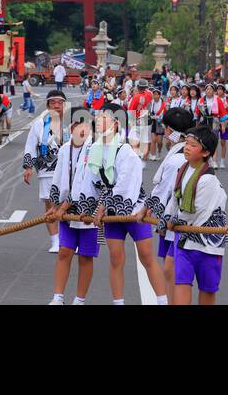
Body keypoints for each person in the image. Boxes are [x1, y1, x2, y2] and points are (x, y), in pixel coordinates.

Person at [94, 104, 169, 305]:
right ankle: (118, 302)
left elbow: (127, 184)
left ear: (116, 124)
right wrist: (100, 206)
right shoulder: (97, 149)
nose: (98, 122)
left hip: (135, 210)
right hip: (111, 213)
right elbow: (99, 183)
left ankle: (162, 301)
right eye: (98, 117)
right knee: (115, 258)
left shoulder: (126, 150)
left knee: (146, 256)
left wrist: (103, 206)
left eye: (103, 118)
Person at [163, 126, 227, 305]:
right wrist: (167, 217)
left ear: (206, 152)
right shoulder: (183, 169)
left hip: (208, 243)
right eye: (187, 143)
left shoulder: (208, 179)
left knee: (207, 290)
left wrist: (174, 221)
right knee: (181, 282)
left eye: (193, 145)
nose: (187, 147)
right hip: (185, 240)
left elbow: (194, 212)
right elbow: (175, 199)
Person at [145, 107, 197, 297]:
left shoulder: (177, 157)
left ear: (172, 132)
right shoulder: (183, 153)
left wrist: (147, 210)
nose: (164, 135)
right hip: (176, 219)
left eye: (166, 130)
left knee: (173, 272)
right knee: (173, 271)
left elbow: (163, 191)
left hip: (175, 220)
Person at [48, 109, 96, 305]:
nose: (81, 130)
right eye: (77, 125)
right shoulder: (64, 148)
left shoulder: (95, 149)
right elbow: (58, 179)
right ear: (71, 127)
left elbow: (84, 182)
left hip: (89, 210)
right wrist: (55, 206)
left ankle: (79, 299)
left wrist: (62, 208)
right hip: (66, 212)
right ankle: (58, 296)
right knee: (64, 252)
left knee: (85, 256)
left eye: (85, 126)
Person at [23, 88, 68, 253]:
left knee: (68, 204)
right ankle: (55, 240)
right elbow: (30, 146)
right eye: (53, 102)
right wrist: (28, 167)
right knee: (50, 204)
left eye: (60, 102)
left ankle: (67, 238)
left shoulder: (73, 123)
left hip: (70, 171)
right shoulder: (39, 124)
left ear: (65, 105)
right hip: (47, 169)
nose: (57, 105)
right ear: (48, 106)